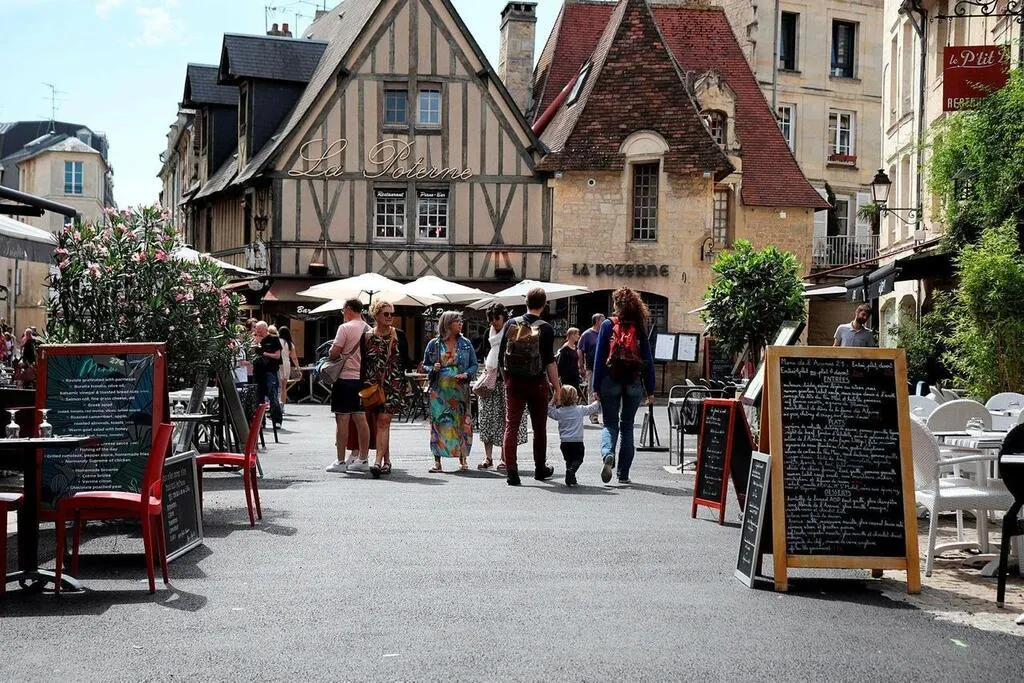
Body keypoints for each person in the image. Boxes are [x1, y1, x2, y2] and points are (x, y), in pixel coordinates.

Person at [592, 287, 656, 485]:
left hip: (610, 379)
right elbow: (648, 359)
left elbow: (599, 357)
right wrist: (650, 389)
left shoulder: (607, 324)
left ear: (617, 305)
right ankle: (624, 474)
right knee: (627, 426)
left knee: (610, 424)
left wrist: (596, 387)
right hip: (633, 381)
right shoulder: (639, 326)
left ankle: (608, 454)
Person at [499, 287, 560, 486]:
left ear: (526, 302)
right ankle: (540, 468)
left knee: (511, 426)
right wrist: (557, 388)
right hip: (537, 383)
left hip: (514, 382)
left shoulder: (511, 323)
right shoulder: (546, 328)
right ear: (543, 305)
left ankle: (512, 471)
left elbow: (501, 358)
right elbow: (550, 362)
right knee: (539, 427)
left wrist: (507, 380)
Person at [423, 311, 478, 472]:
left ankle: (462, 459)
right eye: (457, 321)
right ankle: (437, 462)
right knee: (438, 424)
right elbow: (425, 364)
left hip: (459, 389)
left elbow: (474, 364)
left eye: (461, 321)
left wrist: (467, 374)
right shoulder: (434, 344)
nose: (460, 324)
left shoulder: (466, 343)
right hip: (439, 390)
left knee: (461, 423)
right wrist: (432, 368)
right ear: (447, 324)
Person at [360, 300, 409, 478]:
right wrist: (362, 386)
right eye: (386, 314)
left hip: (393, 384)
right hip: (372, 386)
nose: (389, 317)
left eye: (391, 314)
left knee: (384, 421)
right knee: (381, 424)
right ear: (376, 315)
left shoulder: (399, 335)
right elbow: (363, 363)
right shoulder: (366, 337)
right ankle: (386, 461)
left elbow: (406, 360)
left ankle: (377, 462)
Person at [475, 303, 527, 470]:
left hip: (508, 380)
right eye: (491, 319)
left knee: (507, 421)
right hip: (490, 380)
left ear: (504, 316)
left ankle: (505, 457)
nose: (493, 322)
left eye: (496, 318)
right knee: (486, 418)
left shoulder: (512, 331)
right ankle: (488, 457)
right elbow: (483, 353)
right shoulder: (488, 333)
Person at [325, 299, 372, 473]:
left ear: (349, 309)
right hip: (362, 379)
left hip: (344, 378)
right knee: (361, 419)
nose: (343, 313)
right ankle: (363, 458)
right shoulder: (369, 329)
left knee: (342, 420)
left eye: (343, 310)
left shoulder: (344, 328)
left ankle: (340, 461)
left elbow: (335, 352)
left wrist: (331, 351)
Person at [547, 385, 602, 487]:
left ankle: (571, 478)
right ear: (575, 397)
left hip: (564, 442)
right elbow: (592, 408)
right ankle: (571, 472)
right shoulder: (579, 409)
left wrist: (553, 399)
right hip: (577, 441)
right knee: (578, 459)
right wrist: (597, 401)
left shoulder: (560, 412)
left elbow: (549, 410)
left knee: (569, 460)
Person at [251, 321, 284, 429]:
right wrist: (254, 343)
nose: (258, 332)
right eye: (256, 329)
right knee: (258, 398)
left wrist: (264, 353)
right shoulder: (254, 339)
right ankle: (261, 422)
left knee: (272, 396)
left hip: (270, 371)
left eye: (260, 330)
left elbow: (277, 356)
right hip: (257, 371)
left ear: (265, 329)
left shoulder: (273, 339)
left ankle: (277, 419)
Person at [578, 313, 605, 424]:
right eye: (602, 319)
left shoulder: (604, 333)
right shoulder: (587, 334)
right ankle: (593, 416)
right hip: (591, 367)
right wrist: (581, 367)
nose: (604, 321)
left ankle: (606, 415)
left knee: (605, 390)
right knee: (592, 391)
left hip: (604, 367)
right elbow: (580, 350)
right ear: (597, 321)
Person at [556, 327, 582, 398]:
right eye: (577, 334)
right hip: (567, 378)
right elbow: (560, 364)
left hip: (575, 376)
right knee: (568, 396)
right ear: (572, 335)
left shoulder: (575, 347)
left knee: (575, 396)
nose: (578, 336)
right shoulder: (565, 349)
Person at [278, 326, 300, 406]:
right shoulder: (290, 344)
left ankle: (276, 404)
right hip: (286, 363)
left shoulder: (277, 341)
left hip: (277, 363)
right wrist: (298, 367)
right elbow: (294, 358)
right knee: (284, 387)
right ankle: (282, 405)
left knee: (277, 385)